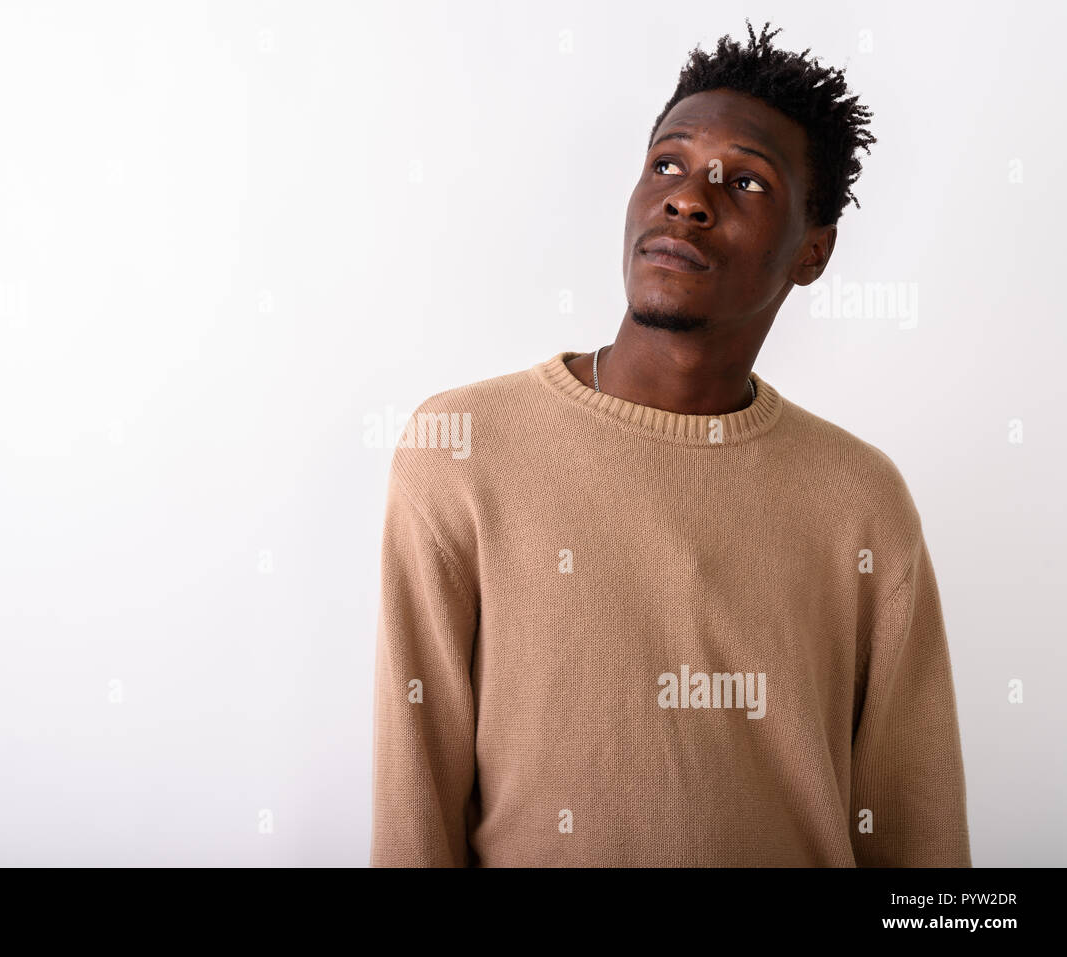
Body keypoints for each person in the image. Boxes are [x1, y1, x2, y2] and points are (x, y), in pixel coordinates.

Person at [369, 20, 972, 867]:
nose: (690, 196)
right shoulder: (461, 450)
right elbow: (413, 806)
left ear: (813, 252)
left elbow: (922, 836)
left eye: (748, 182)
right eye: (667, 162)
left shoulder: (861, 499)